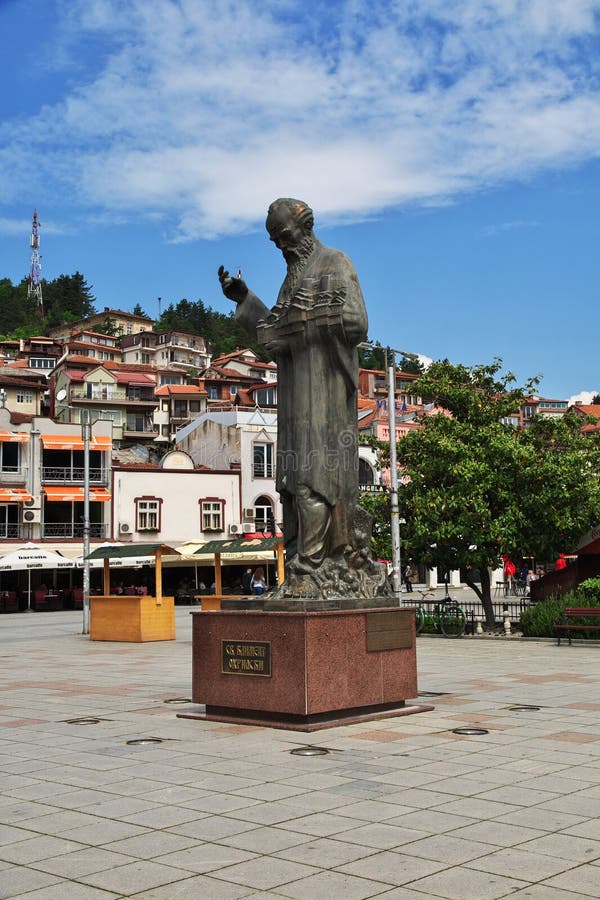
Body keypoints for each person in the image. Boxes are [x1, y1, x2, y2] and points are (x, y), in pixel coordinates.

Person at [219, 198, 381, 598]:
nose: (280, 246)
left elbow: (358, 323)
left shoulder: (335, 263)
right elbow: (275, 339)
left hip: (324, 398)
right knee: (291, 484)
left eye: (284, 237)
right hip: (294, 396)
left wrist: (313, 320)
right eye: (274, 240)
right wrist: (245, 301)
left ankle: (309, 570)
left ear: (305, 229)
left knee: (312, 480)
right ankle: (299, 569)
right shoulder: (291, 279)